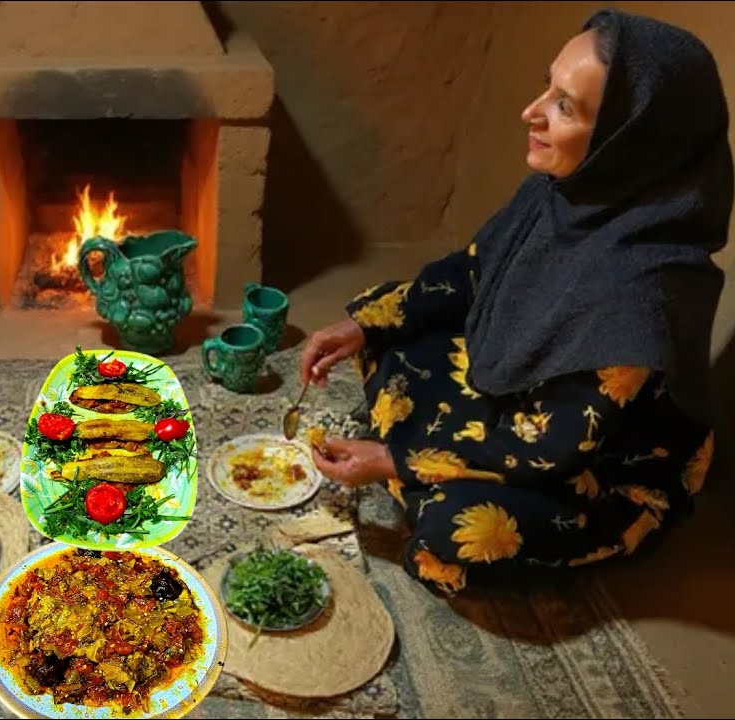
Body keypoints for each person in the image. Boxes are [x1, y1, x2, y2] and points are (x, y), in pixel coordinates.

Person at [301, 8, 729, 595]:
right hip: (527, 401)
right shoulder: (564, 193)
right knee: (382, 320)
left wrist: (391, 462)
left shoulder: (640, 297)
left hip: (594, 472)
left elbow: (548, 449)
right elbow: (473, 272)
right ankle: (417, 463)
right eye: (547, 87)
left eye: (565, 107)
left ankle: (421, 483)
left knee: (456, 534)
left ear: (630, 141)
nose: (531, 112)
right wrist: (363, 326)